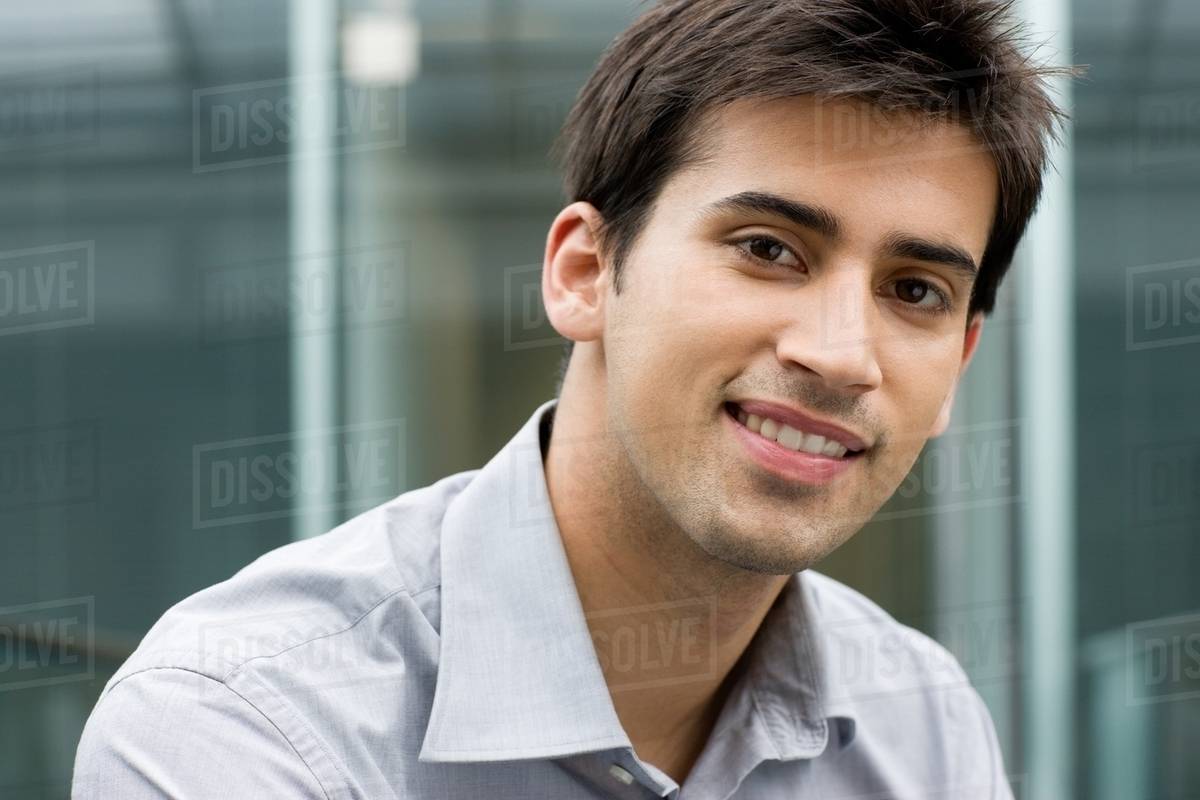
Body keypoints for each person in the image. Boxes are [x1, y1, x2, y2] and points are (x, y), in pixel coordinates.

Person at [73, 1, 1073, 797]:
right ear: (585, 272)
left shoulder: (925, 722)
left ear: (961, 360)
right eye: (769, 249)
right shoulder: (243, 721)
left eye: (915, 291)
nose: (841, 354)